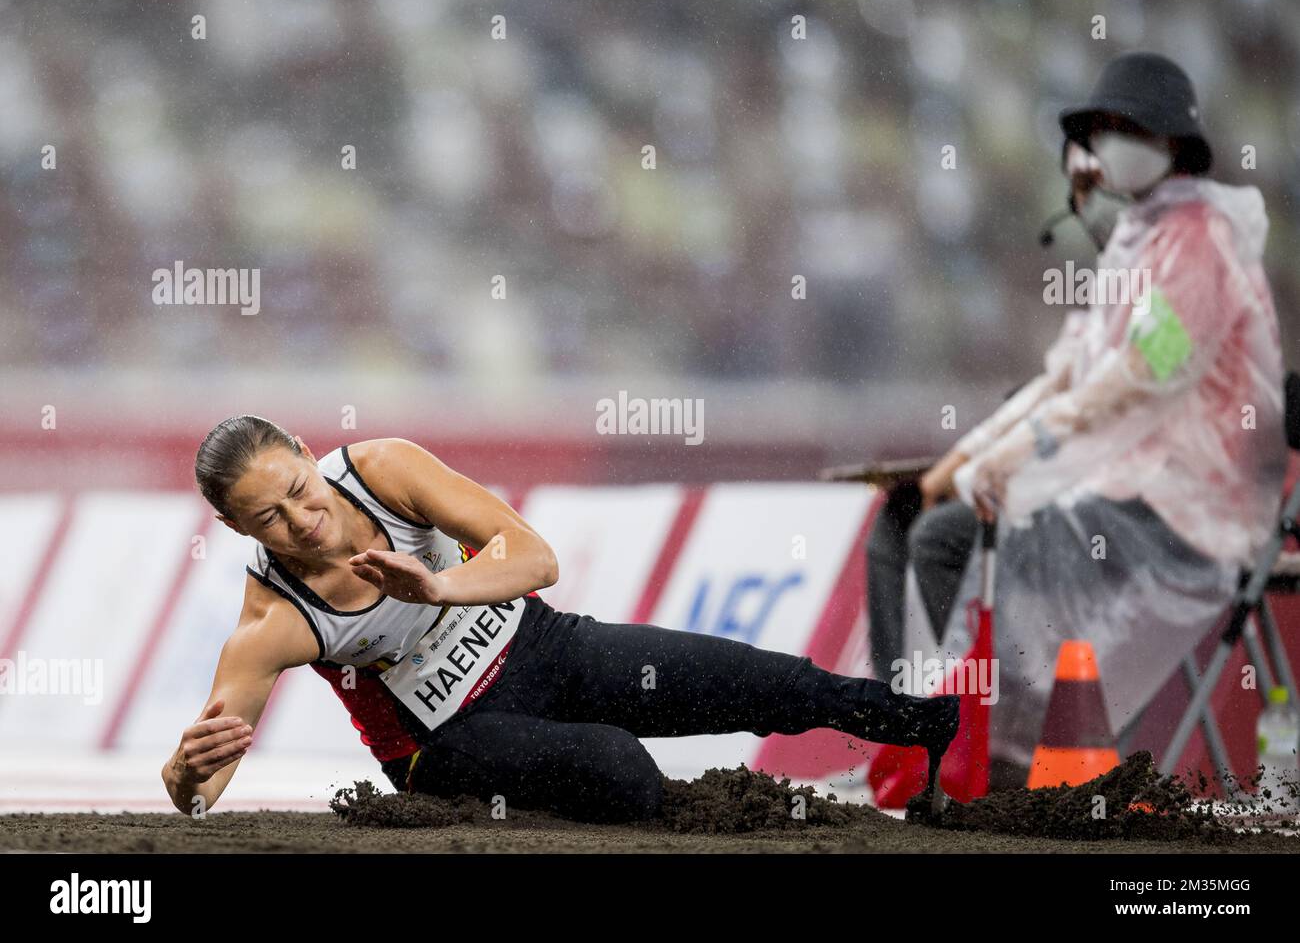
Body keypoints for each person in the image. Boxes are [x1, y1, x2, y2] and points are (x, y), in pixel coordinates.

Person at [162, 415, 959, 823]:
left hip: (544, 645)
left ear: (309, 451)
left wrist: (437, 590)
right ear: (239, 531)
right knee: (620, 772)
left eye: (300, 489)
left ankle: (934, 734)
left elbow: (537, 561)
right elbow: (197, 795)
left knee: (767, 680)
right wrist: (187, 774)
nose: (301, 522)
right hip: (446, 743)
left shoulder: (385, 469)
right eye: (269, 518)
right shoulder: (272, 620)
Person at [866, 51, 1288, 783]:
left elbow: (1142, 377)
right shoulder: (1143, 248)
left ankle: (993, 746)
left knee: (942, 540)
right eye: (1104, 130)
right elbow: (1068, 375)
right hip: (1122, 488)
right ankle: (916, 732)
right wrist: (962, 461)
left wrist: (1011, 455)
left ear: (1171, 144)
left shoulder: (1195, 243)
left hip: (1180, 511)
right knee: (906, 518)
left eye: (1128, 129)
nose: (1106, 150)